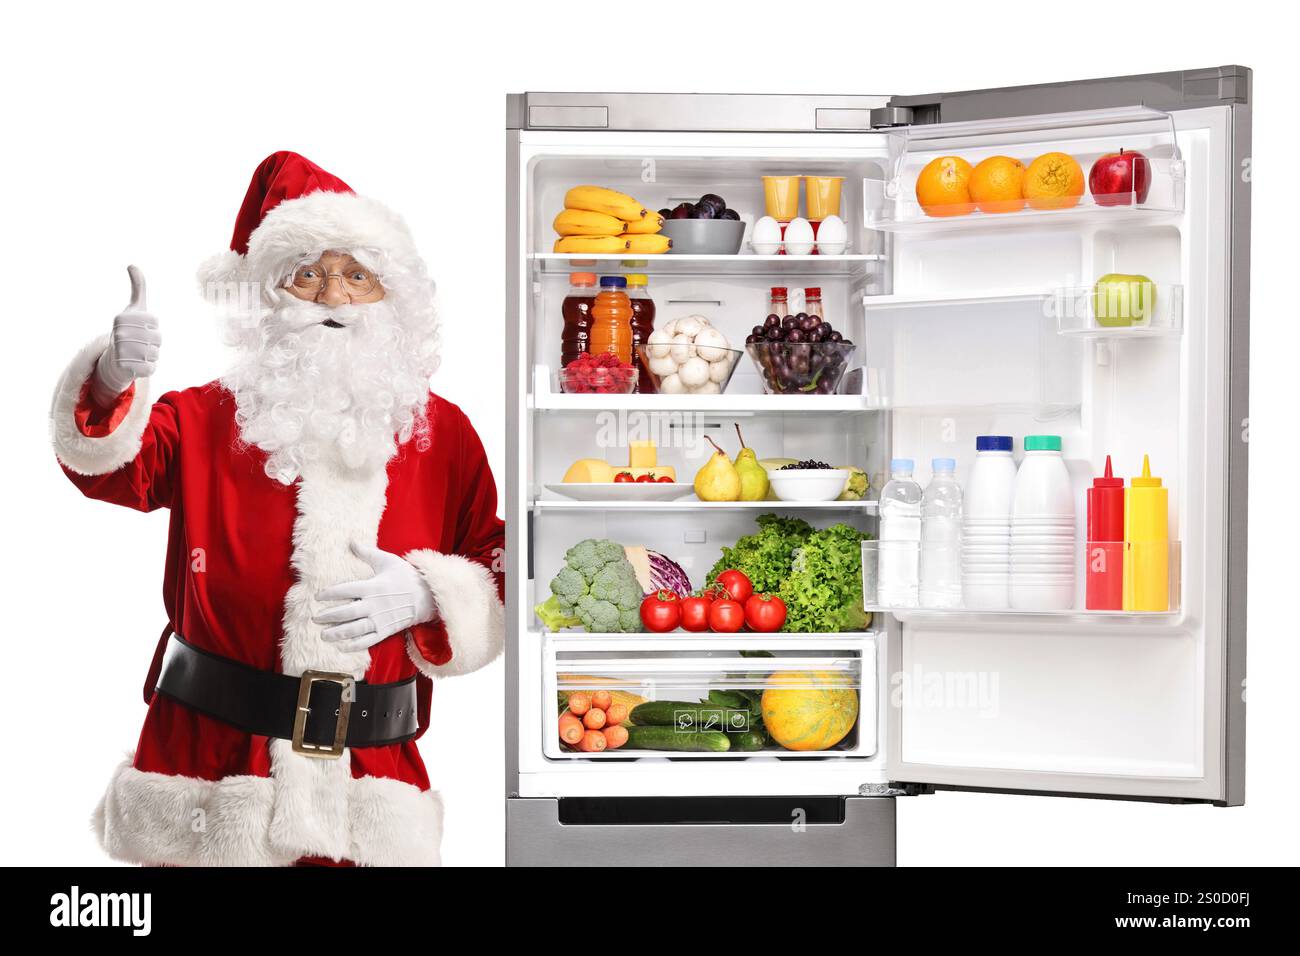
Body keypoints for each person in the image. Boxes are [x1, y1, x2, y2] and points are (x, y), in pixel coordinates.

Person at [49, 151, 504, 866]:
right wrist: (111, 378)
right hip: (210, 771)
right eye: (307, 273)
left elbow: (497, 564)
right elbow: (110, 469)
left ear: (394, 299)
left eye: (357, 275)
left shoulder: (443, 434)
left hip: (372, 787)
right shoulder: (203, 416)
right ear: (271, 295)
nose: (331, 295)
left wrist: (429, 595)